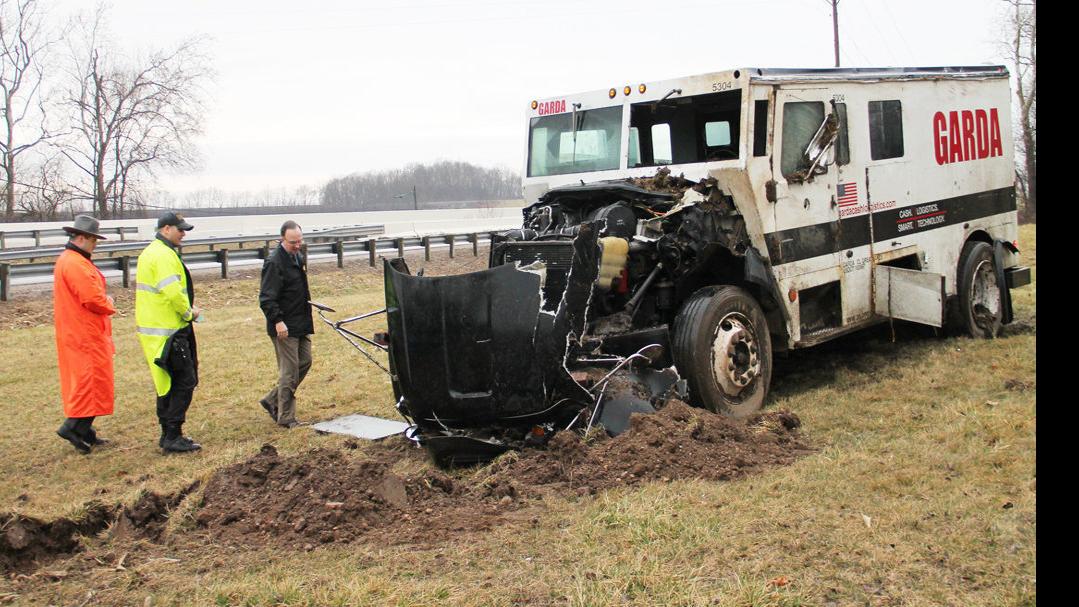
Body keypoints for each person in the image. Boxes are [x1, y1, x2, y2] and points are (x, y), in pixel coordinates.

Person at [135, 211, 202, 453]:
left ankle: (167, 433)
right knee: (185, 381)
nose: (183, 234)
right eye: (180, 229)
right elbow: (173, 292)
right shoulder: (163, 255)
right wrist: (189, 313)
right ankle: (173, 434)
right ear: (166, 229)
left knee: (167, 383)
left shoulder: (150, 252)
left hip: (156, 331)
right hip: (170, 331)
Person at [53, 215, 117, 454]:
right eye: (93, 240)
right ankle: (73, 427)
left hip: (80, 331)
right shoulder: (75, 263)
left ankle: (85, 430)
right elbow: (92, 298)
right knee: (89, 382)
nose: (95, 245)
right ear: (81, 237)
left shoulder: (71, 260)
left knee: (88, 382)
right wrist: (108, 302)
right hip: (85, 333)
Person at [258, 220, 313, 429]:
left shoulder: (296, 256)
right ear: (282, 239)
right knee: (289, 371)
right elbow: (266, 298)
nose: (297, 245)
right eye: (293, 242)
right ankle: (286, 417)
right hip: (284, 325)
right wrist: (278, 321)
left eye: (300, 241)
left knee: (305, 361)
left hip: (300, 322)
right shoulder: (274, 262)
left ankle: (272, 400)